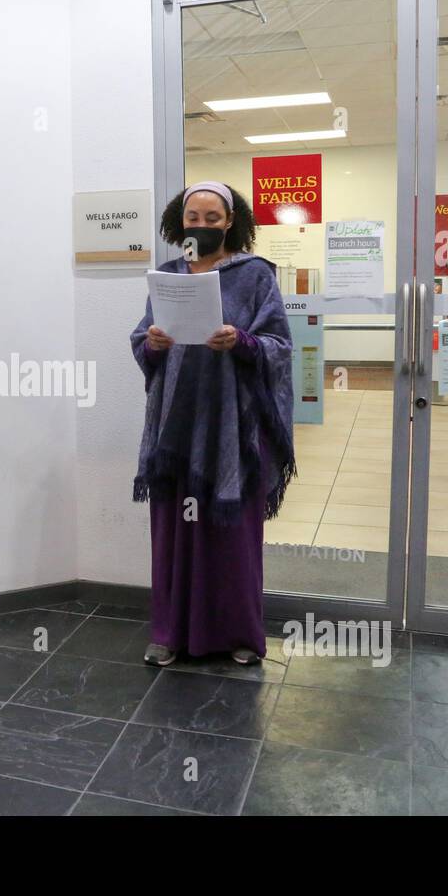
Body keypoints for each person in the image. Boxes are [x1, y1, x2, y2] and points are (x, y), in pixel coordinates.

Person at [130, 181, 296, 668]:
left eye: (212, 217)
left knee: (232, 537)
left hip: (235, 430)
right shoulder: (166, 275)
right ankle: (168, 634)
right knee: (174, 533)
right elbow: (142, 337)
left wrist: (241, 342)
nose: (201, 226)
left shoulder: (255, 276)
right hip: (175, 429)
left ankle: (239, 635)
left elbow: (280, 348)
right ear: (179, 223)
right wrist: (152, 343)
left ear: (231, 221)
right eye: (193, 217)